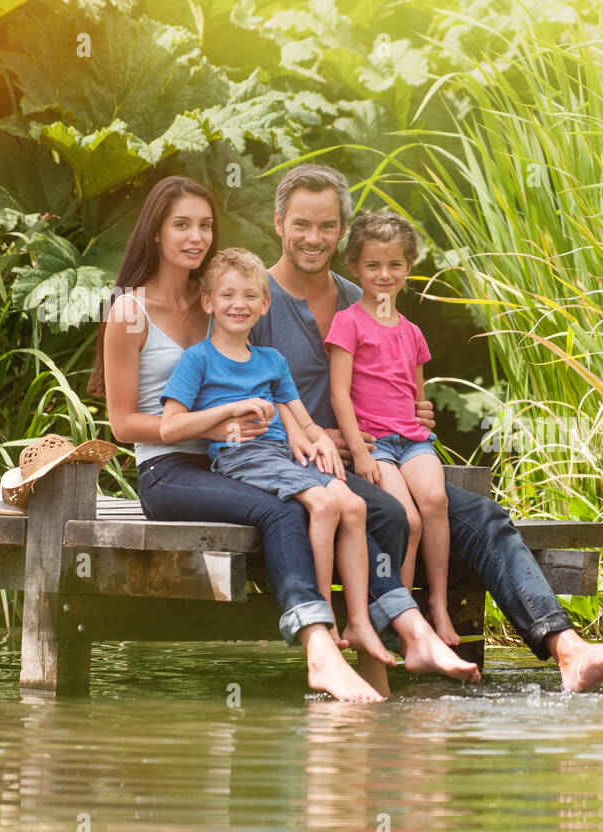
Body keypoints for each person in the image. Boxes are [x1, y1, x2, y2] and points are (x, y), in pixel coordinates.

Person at [253, 164, 603, 691]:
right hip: (312, 470)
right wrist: (323, 437)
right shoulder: (252, 300)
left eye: (327, 226)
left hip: (387, 452)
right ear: (278, 222)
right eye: (302, 224)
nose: (314, 238)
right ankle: (386, 666)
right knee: (391, 515)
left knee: (483, 516)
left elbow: (396, 366)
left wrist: (414, 408)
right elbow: (239, 398)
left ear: (343, 232)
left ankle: (567, 649)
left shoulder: (363, 293)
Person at [91, 176, 473, 702]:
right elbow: (122, 424)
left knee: (382, 510)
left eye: (205, 225)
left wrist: (388, 414)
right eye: (180, 225)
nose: (195, 236)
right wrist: (218, 423)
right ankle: (319, 646)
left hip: (244, 456)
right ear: (155, 233)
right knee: (287, 510)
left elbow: (273, 387)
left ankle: (389, 644)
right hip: (173, 468)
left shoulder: (223, 299)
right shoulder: (130, 310)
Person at [158, 247, 408, 690]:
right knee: (325, 505)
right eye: (228, 295)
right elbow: (170, 428)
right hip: (241, 457)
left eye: (251, 295)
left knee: (352, 505)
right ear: (208, 301)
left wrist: (320, 444)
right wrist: (230, 410)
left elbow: (304, 418)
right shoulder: (198, 359)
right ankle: (325, 621)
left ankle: (360, 621)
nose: (240, 304)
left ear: (265, 304)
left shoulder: (272, 360)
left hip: (285, 456)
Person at [326, 213, 459, 647]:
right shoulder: (348, 323)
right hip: (376, 444)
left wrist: (422, 415)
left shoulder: (413, 332)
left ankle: (436, 604)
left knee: (435, 500)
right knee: (408, 520)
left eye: (395, 265)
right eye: (373, 266)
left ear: (409, 267)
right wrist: (360, 454)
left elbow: (417, 399)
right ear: (354, 268)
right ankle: (398, 619)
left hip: (413, 441)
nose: (384, 275)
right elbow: (339, 395)